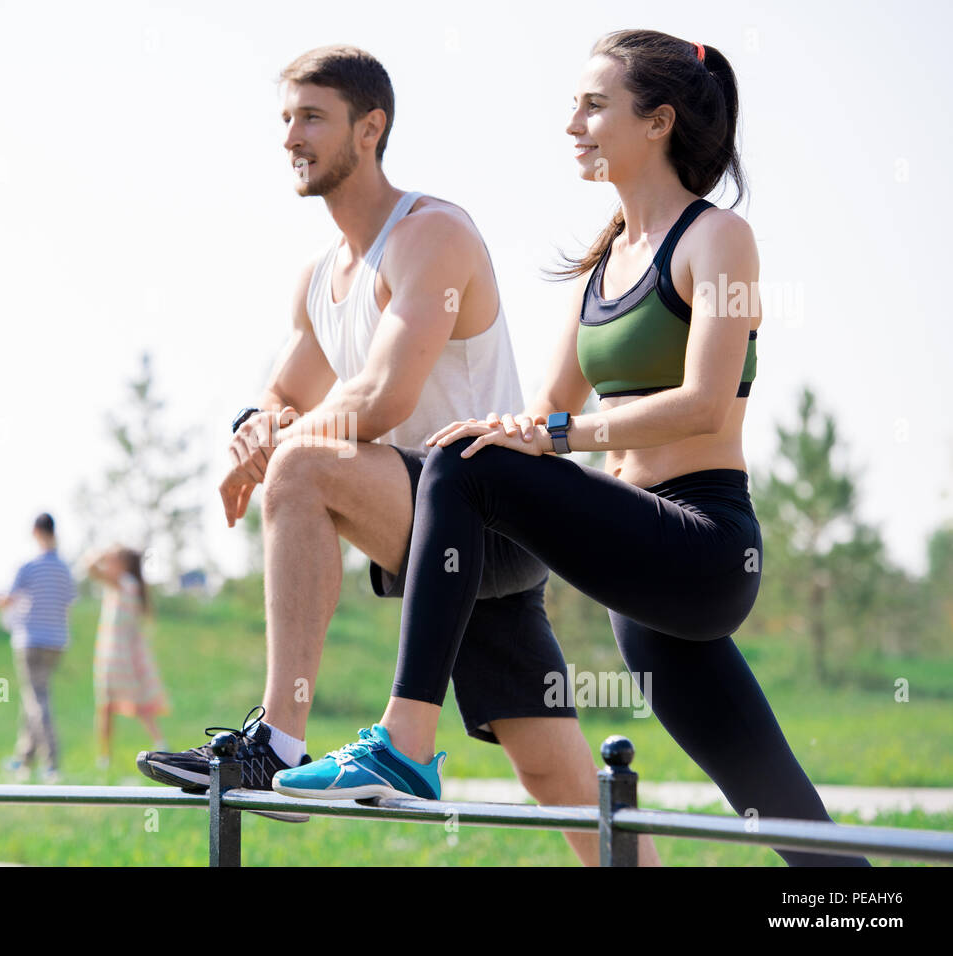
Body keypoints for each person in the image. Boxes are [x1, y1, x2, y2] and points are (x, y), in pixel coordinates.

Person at [273, 30, 870, 868]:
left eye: (593, 106)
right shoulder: (605, 258)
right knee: (790, 819)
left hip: (704, 547)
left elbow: (700, 405)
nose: (572, 125)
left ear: (657, 122)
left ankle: (406, 741)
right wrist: (529, 430)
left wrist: (551, 438)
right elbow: (547, 405)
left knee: (465, 463)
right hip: (641, 596)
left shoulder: (717, 239)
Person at [136, 44, 656, 862]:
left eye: (312, 117)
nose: (290, 138)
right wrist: (257, 424)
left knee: (302, 469)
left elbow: (380, 401)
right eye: (284, 119)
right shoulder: (320, 276)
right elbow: (286, 395)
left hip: (493, 518)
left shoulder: (431, 236)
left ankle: (276, 742)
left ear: (370, 128)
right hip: (436, 543)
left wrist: (279, 446)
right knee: (557, 779)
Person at [0, 513, 76, 783]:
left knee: (37, 699)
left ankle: (51, 762)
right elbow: (68, 603)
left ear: (36, 532)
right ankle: (23, 758)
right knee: (34, 697)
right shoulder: (64, 568)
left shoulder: (29, 566)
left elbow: (9, 599)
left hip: (31, 640)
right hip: (56, 641)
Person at [83, 544, 167, 769]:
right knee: (136, 703)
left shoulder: (123, 583)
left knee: (107, 706)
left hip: (115, 655)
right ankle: (159, 743)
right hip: (124, 653)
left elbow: (89, 566)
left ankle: (105, 757)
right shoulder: (132, 585)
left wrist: (101, 552)